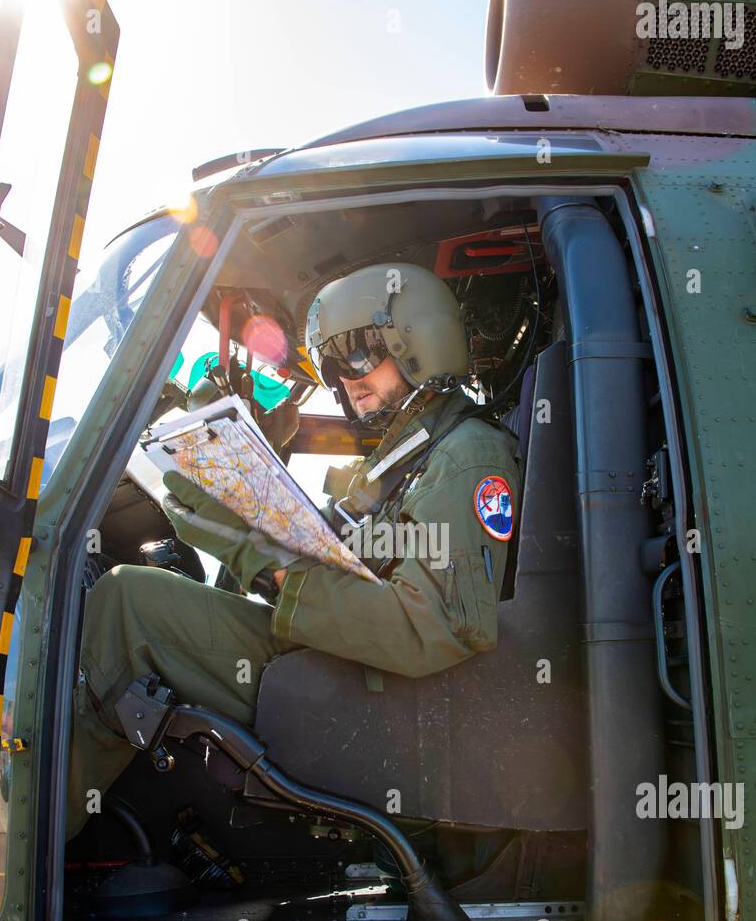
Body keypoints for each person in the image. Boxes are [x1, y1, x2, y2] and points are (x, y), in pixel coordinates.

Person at [66, 262, 522, 838]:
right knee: (133, 593)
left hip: (373, 685)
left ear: (420, 343)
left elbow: (432, 626)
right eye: (331, 366)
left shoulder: (467, 456)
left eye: (358, 356)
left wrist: (275, 568)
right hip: (338, 658)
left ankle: (20, 847)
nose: (344, 380)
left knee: (126, 602)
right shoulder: (405, 456)